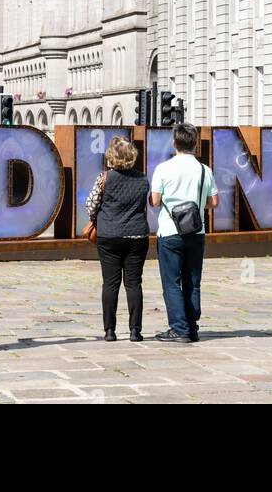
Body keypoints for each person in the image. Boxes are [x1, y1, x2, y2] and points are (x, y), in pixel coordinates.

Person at [149, 123, 219, 344]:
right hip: (196, 231)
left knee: (171, 282)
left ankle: (179, 328)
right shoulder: (203, 169)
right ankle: (192, 326)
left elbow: (155, 200)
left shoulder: (163, 168)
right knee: (192, 281)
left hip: (170, 232)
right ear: (195, 144)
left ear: (174, 142)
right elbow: (214, 202)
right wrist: (196, 205)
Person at [83, 137, 150, 342]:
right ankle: (135, 331)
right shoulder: (142, 179)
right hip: (137, 235)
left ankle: (110, 331)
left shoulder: (104, 178)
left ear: (111, 157)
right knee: (133, 283)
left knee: (110, 283)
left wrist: (98, 218)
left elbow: (91, 205)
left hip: (109, 235)